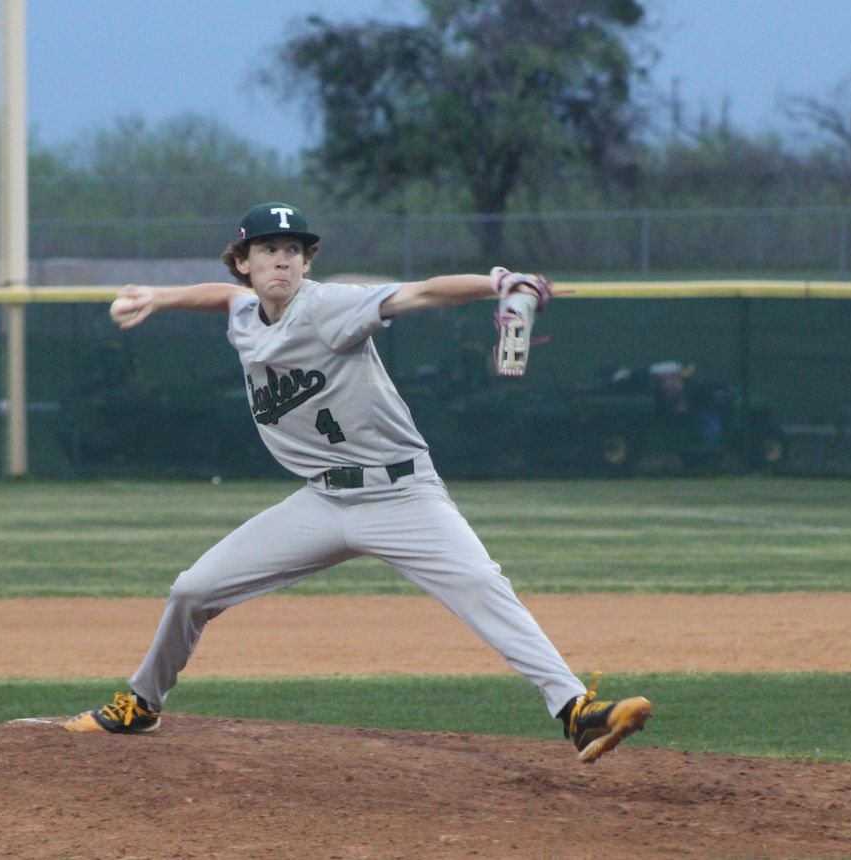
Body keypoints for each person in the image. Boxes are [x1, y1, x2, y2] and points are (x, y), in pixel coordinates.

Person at [63, 202, 651, 763]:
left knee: (480, 583)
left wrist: (498, 281)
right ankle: (143, 705)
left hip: (402, 494)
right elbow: (224, 298)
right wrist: (162, 297)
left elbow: (419, 292)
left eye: (295, 249)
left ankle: (575, 709)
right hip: (322, 499)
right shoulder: (246, 314)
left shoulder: (330, 306)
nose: (282, 260)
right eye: (267, 249)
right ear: (244, 261)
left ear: (308, 262)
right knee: (193, 590)